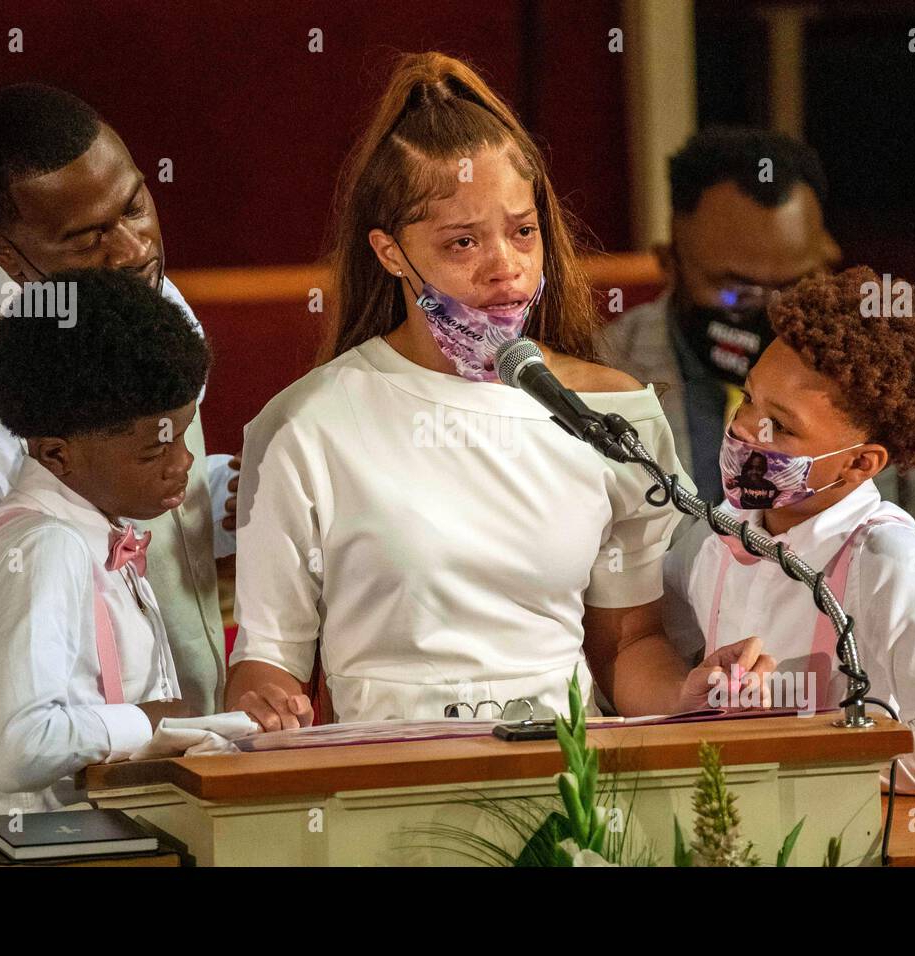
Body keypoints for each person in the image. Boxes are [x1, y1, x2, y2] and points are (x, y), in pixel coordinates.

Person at [226, 52, 776, 728]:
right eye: (462, 243)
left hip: (573, 783)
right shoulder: (305, 426)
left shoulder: (610, 414)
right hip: (388, 787)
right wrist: (266, 707)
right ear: (389, 251)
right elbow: (265, 663)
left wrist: (689, 691)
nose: (506, 269)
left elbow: (627, 645)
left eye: (522, 232)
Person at [0, 84, 235, 838]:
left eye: (134, 206)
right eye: (86, 236)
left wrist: (248, 494)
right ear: (6, 252)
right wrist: (53, 834)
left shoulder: (127, 296)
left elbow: (147, 502)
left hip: (168, 798)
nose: (132, 250)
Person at [601, 129, 915, 687]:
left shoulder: (872, 367)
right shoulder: (606, 374)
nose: (771, 313)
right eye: (736, 290)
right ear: (670, 262)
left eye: (794, 283)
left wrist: (912, 673)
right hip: (679, 706)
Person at [665, 267, 915, 795]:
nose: (746, 428)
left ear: (860, 464)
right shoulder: (712, 541)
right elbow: (666, 673)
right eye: (748, 399)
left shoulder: (888, 558)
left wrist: (792, 741)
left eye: (782, 426)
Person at [0, 269, 211, 826]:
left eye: (183, 434)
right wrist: (145, 722)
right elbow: (15, 746)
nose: (182, 460)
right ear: (57, 455)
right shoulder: (47, 548)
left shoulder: (90, 529)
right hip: (30, 850)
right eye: (151, 452)